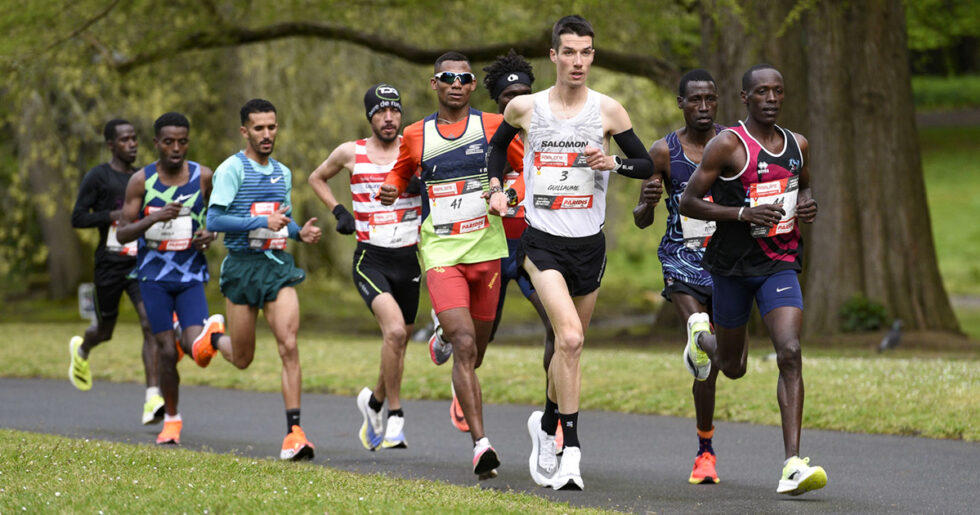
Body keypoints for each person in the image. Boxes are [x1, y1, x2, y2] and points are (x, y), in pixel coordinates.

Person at [486, 15, 654, 490]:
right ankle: (571, 452)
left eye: (586, 53)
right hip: (542, 242)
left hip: (589, 245)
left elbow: (644, 163)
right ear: (554, 56)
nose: (578, 61)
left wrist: (613, 163)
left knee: (570, 346)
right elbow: (496, 151)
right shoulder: (525, 108)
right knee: (572, 339)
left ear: (592, 57)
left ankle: (544, 425)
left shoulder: (608, 111)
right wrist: (496, 189)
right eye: (569, 52)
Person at [678, 64, 825, 496]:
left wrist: (808, 205)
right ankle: (700, 337)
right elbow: (689, 201)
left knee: (790, 352)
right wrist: (742, 213)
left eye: (777, 91)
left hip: (779, 263)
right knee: (732, 366)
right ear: (745, 98)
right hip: (732, 269)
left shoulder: (797, 144)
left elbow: (804, 188)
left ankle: (792, 464)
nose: (771, 99)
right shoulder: (728, 145)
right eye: (762, 92)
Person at [378, 51, 525, 480]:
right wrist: (390, 189)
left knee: (474, 350)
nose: (456, 83)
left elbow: (522, 169)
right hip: (441, 252)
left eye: (464, 78)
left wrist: (508, 195)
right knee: (464, 344)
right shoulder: (414, 134)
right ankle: (481, 445)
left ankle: (443, 333)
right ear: (434, 84)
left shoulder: (495, 127)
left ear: (472, 85)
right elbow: (401, 172)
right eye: (448, 77)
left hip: (487, 251)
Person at [203, 98, 323, 461]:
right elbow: (213, 222)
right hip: (241, 268)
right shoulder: (231, 170)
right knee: (242, 359)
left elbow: (280, 220)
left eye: (272, 127)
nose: (267, 134)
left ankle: (295, 433)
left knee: (288, 344)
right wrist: (258, 223)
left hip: (276, 267)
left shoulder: (283, 173)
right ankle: (213, 337)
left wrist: (301, 234)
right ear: (245, 131)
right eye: (259, 128)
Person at [308, 83, 422, 451]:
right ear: (369, 116)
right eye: (380, 112)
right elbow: (316, 177)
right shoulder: (350, 152)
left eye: (394, 111)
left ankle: (373, 402)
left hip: (409, 258)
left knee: (398, 342)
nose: (388, 118)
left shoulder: (414, 149)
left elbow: (438, 185)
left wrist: (418, 185)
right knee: (395, 333)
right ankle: (396, 417)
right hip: (370, 258)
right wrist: (338, 211)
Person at [632, 69, 725, 485]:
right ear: (680, 104)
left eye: (710, 99)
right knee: (700, 330)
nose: (703, 107)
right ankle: (695, 331)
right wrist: (648, 203)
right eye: (695, 100)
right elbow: (639, 218)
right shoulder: (664, 151)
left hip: (726, 262)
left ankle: (705, 449)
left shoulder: (733, 144)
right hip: (680, 257)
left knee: (710, 364)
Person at [115, 112, 221, 446]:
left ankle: (189, 336)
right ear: (157, 143)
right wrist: (154, 217)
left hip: (190, 273)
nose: (176, 148)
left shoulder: (204, 176)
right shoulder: (141, 181)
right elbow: (122, 234)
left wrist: (210, 234)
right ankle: (172, 419)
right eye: (169, 142)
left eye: (182, 141)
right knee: (164, 352)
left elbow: (218, 216)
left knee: (195, 348)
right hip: (153, 276)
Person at [69, 119, 166, 426]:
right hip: (109, 264)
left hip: (140, 262)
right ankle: (82, 349)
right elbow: (78, 218)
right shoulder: (99, 176)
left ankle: (153, 397)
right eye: (125, 139)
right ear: (111, 144)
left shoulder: (145, 177)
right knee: (105, 330)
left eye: (135, 138)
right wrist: (112, 216)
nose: (132, 144)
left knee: (150, 325)